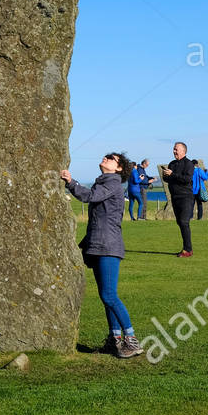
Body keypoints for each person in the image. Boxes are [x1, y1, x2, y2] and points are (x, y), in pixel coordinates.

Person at [61, 153, 142, 358]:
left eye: (111, 158)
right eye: (105, 156)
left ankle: (131, 341)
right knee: (105, 297)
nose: (105, 158)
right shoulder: (104, 182)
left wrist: (71, 182)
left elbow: (89, 197)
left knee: (109, 295)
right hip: (98, 245)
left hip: (108, 246)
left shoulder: (113, 183)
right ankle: (114, 341)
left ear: (119, 168)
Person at [162, 141, 195, 256]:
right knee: (180, 222)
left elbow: (187, 179)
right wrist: (165, 176)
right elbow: (169, 180)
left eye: (176, 149)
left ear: (183, 151)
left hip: (186, 197)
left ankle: (187, 250)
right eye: (173, 149)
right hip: (175, 197)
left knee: (184, 221)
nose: (174, 151)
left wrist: (172, 175)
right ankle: (187, 248)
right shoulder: (172, 164)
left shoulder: (189, 164)